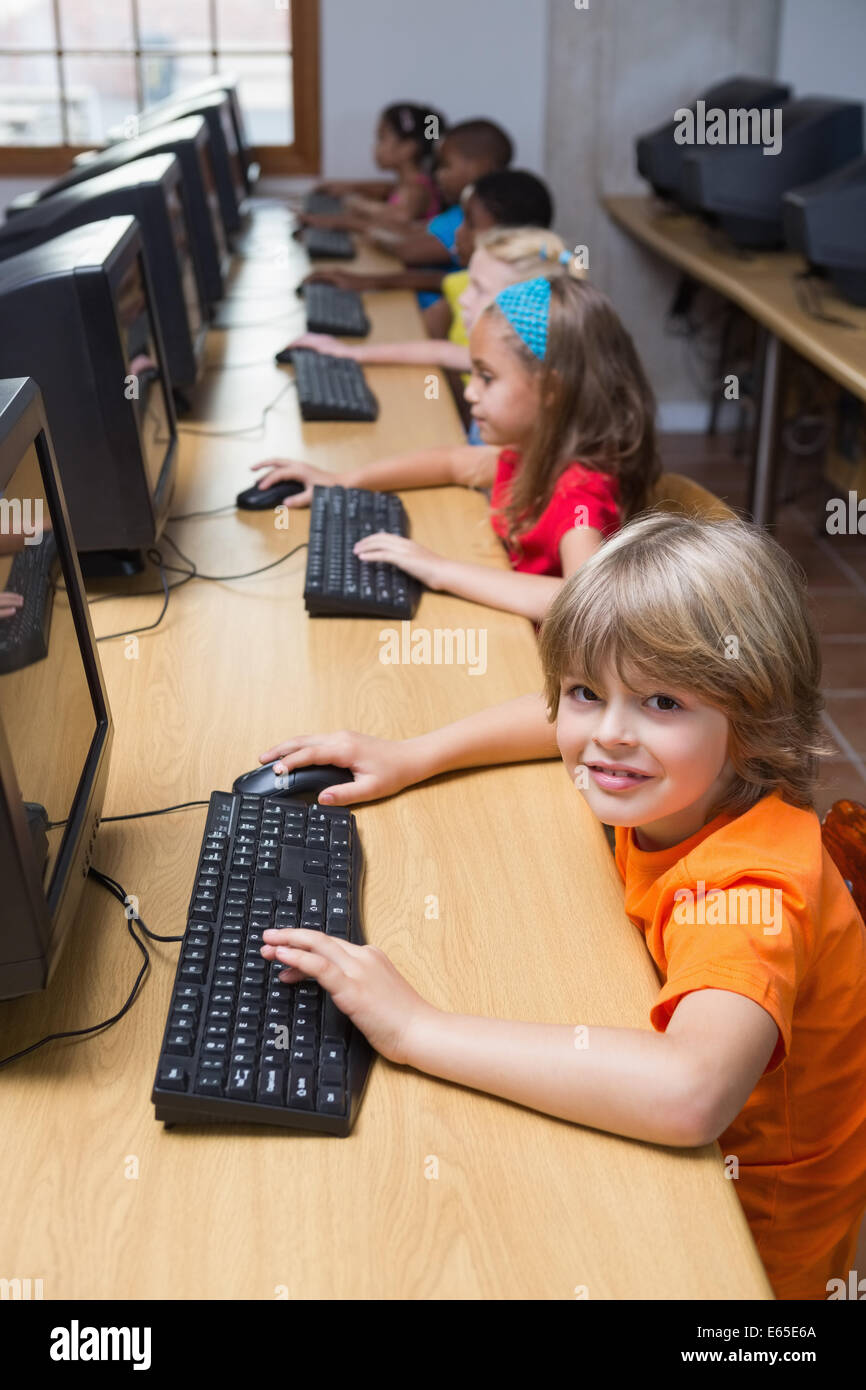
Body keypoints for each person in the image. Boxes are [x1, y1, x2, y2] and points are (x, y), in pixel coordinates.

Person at [260, 512, 866, 1302]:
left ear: (753, 724)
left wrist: (417, 1028)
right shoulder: (672, 778)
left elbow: (688, 1092)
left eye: (662, 703)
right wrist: (412, 754)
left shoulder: (751, 892)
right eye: (589, 691)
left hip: (752, 1224)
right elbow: (555, 722)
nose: (608, 735)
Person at [250, 275, 658, 621]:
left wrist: (440, 569)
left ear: (552, 389)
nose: (470, 391)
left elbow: (586, 604)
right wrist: (341, 480)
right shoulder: (536, 452)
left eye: (486, 377)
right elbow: (453, 462)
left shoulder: (579, 493)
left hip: (533, 663)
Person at [303, 119, 514, 302]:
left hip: (428, 306)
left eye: (446, 166)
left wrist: (348, 224)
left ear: (480, 167)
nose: (438, 175)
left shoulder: (471, 222)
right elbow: (412, 230)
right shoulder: (457, 211)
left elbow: (408, 248)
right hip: (412, 295)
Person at [297, 103, 445, 233]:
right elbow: (385, 189)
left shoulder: (416, 189)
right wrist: (345, 187)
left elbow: (401, 217)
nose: (375, 148)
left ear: (407, 148)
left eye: (381, 138)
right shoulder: (410, 182)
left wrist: (356, 205)